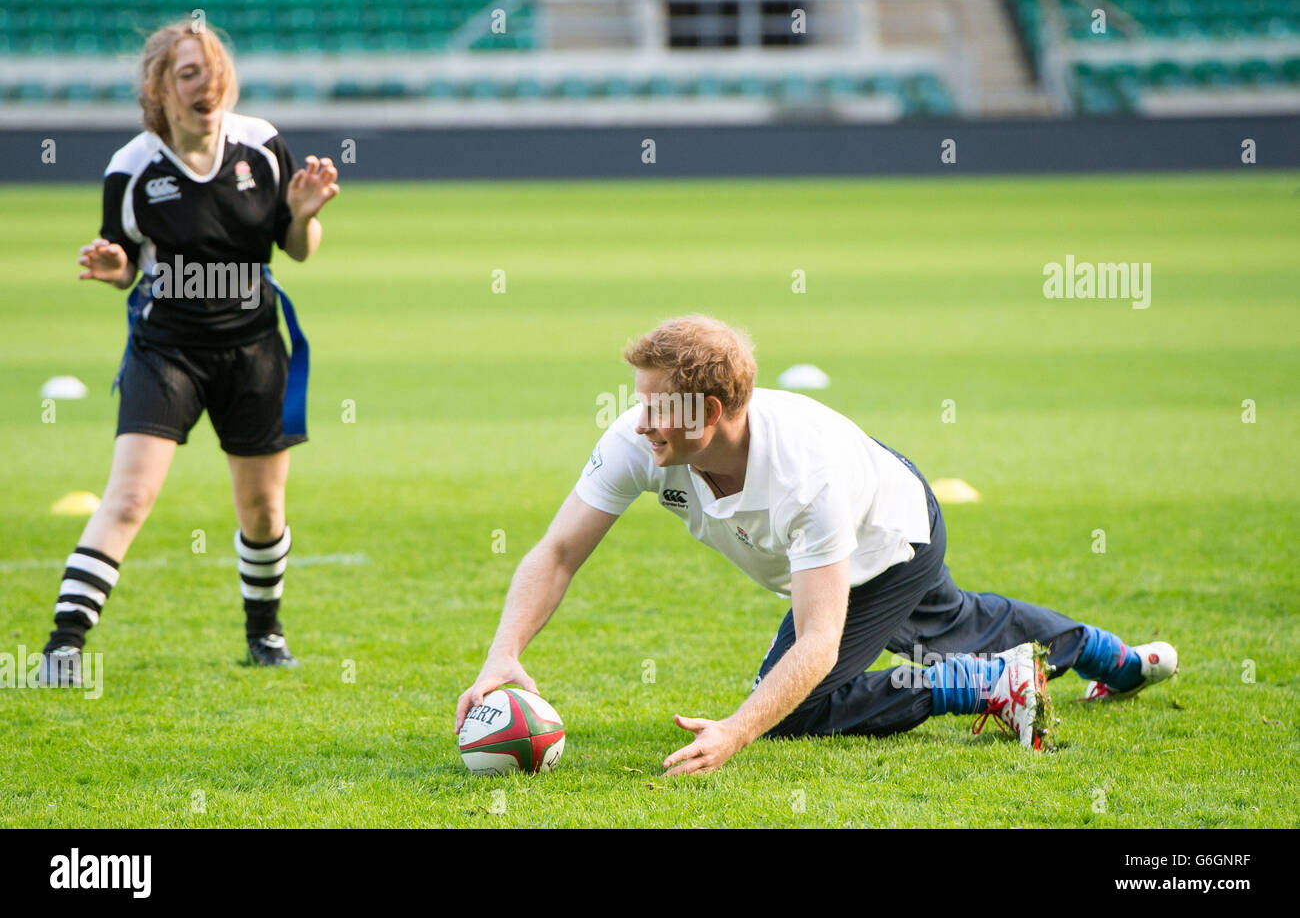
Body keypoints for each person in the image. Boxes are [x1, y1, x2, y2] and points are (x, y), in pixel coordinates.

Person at [454, 315, 1178, 774]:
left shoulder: (807, 477)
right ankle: (1112, 658)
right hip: (871, 498)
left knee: (798, 706)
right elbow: (556, 553)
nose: (635, 420)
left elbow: (818, 643)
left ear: (708, 413)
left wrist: (736, 730)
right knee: (956, 623)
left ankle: (985, 685)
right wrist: (503, 650)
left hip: (886, 535)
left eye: (654, 405)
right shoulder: (640, 439)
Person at [40, 21, 339, 683]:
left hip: (254, 349)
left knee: (263, 509)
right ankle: (64, 645)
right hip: (167, 350)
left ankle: (265, 634)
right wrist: (113, 266)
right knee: (129, 496)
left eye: (214, 69)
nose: (208, 84)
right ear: (159, 88)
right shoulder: (132, 166)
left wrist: (305, 214)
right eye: (189, 73)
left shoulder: (262, 146)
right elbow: (123, 263)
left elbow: (295, 249)